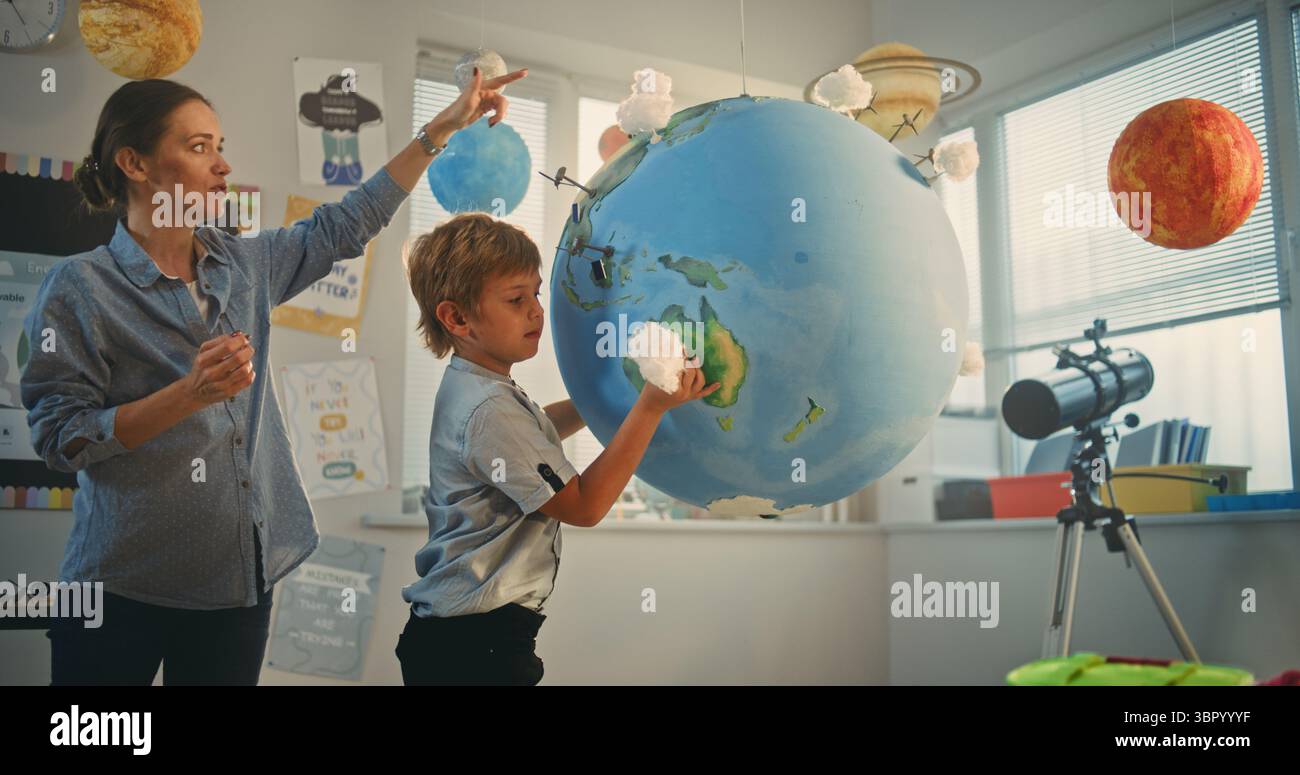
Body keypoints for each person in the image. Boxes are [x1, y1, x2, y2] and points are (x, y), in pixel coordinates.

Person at [21, 66, 526, 685]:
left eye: (220, 146)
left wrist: (444, 125)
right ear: (136, 162)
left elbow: (346, 223)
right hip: (120, 594)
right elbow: (60, 440)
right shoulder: (80, 288)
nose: (222, 166)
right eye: (199, 146)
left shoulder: (243, 263)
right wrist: (190, 394)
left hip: (237, 590)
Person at [396, 213, 719, 685]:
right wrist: (648, 409)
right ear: (457, 318)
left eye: (536, 293)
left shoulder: (481, 387)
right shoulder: (489, 409)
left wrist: (615, 397)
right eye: (515, 299)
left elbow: (538, 430)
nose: (536, 311)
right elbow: (584, 506)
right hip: (472, 649)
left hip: (466, 637)